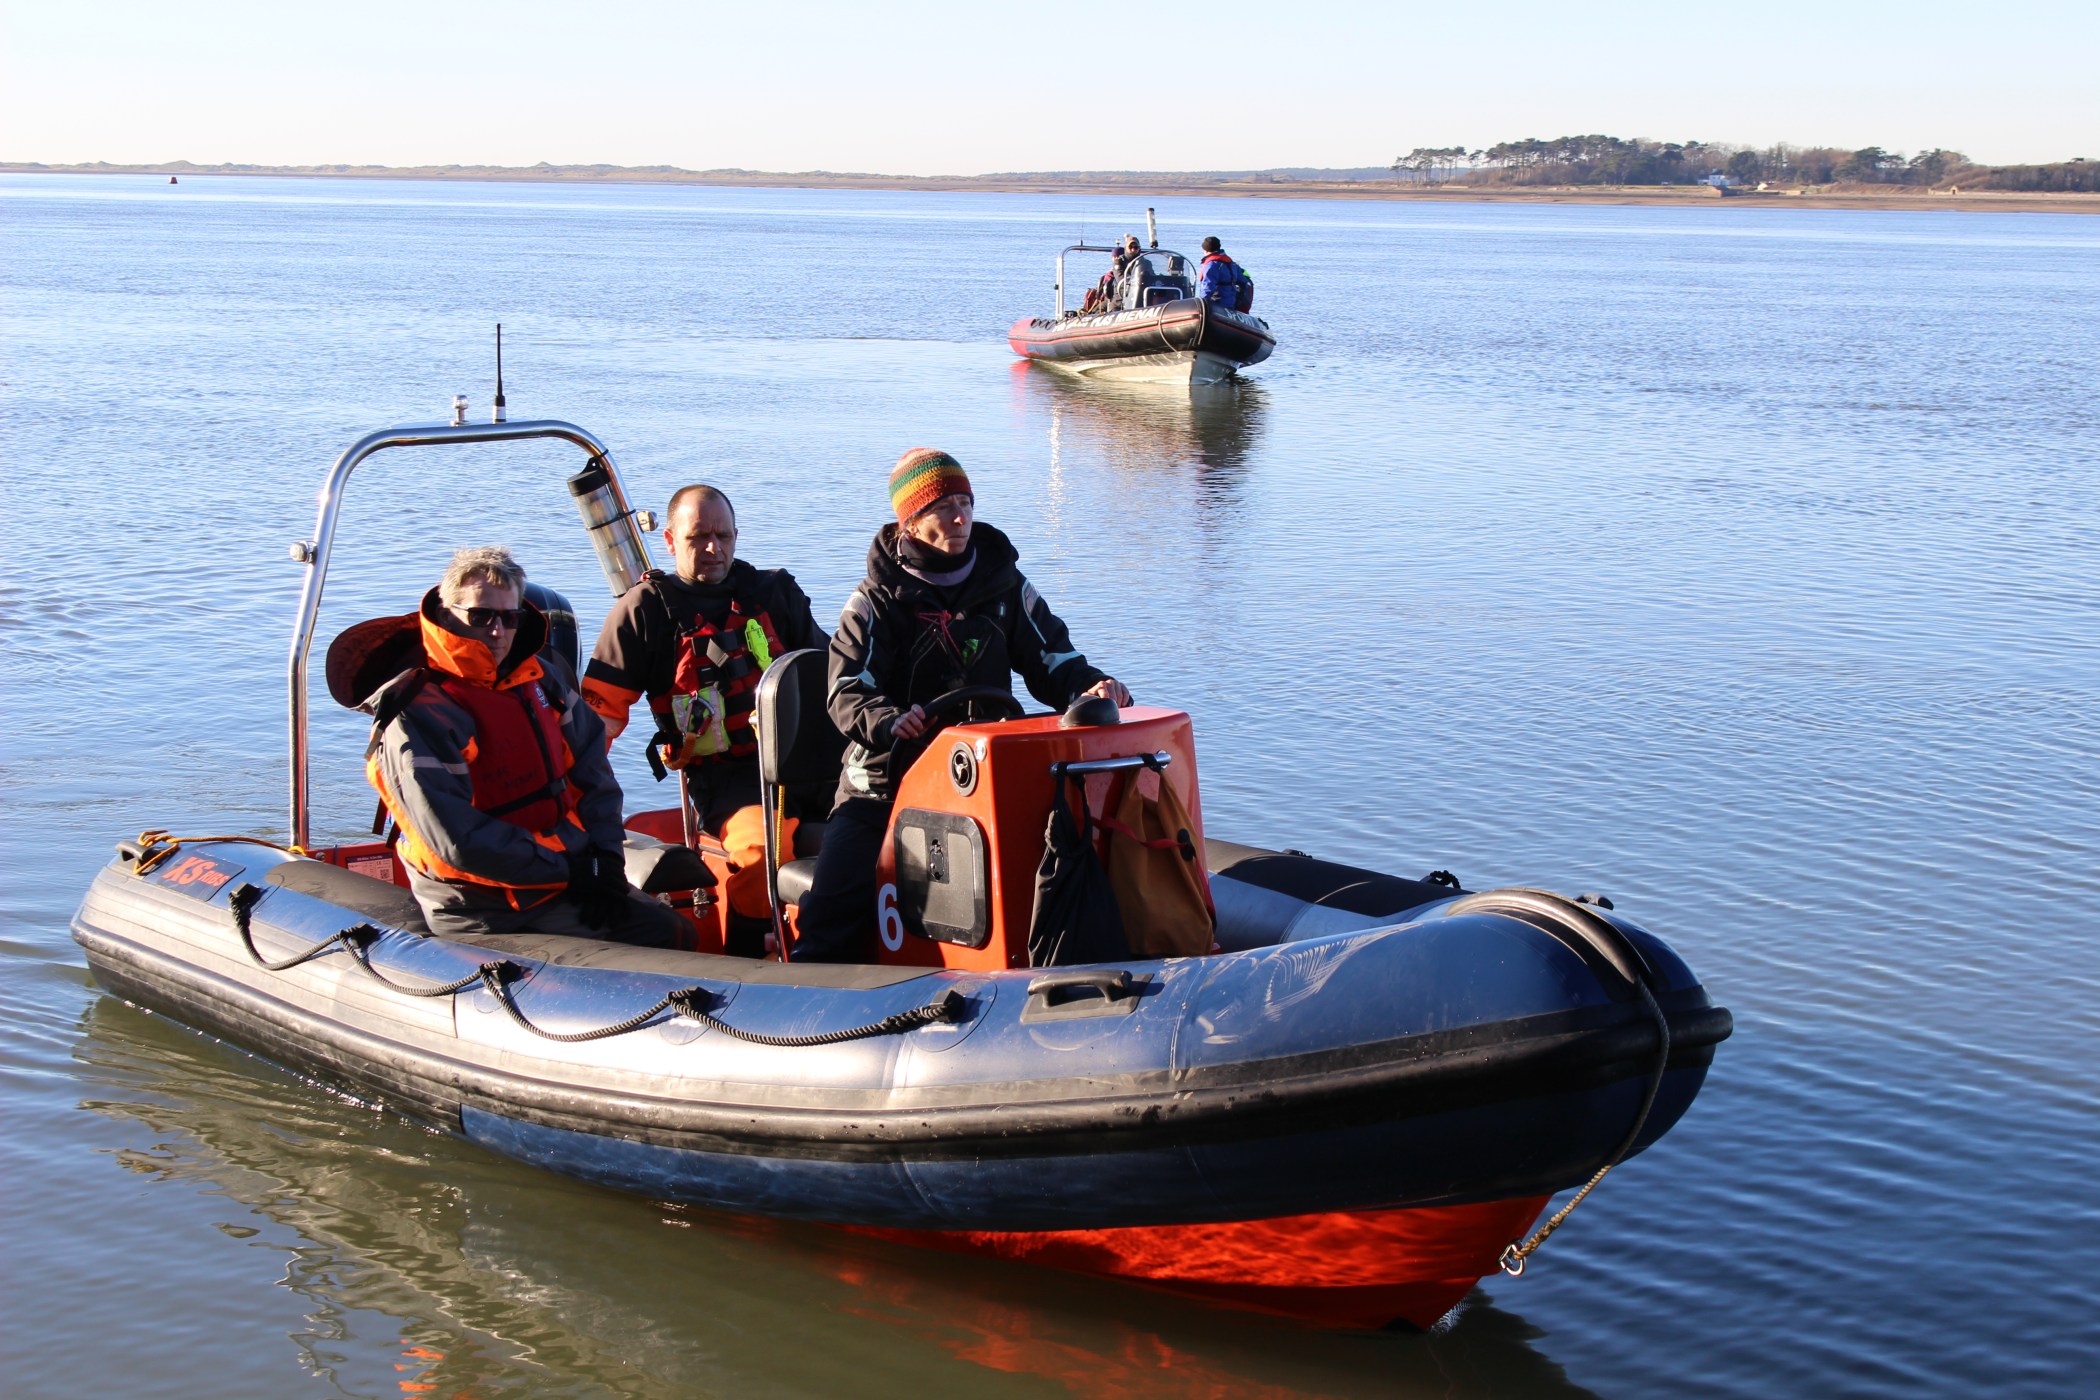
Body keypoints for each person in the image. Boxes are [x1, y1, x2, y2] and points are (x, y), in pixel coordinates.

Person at [792, 449, 1131, 963]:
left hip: (989, 777)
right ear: (909, 522)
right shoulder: (875, 601)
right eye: (942, 507)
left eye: (964, 504)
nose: (958, 517)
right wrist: (887, 720)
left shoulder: (1005, 585)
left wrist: (1093, 687)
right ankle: (814, 989)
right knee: (834, 905)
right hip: (885, 785)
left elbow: (1054, 659)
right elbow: (844, 691)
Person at [359, 547, 684, 946]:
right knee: (660, 936)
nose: (497, 631)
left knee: (672, 928)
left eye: (510, 618)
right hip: (477, 902)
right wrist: (572, 872)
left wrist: (606, 863)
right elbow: (457, 840)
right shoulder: (417, 711)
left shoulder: (541, 680)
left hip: (557, 877)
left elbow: (594, 777)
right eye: (481, 616)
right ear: (447, 614)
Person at [582, 484, 827, 955]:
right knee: (761, 855)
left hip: (809, 766)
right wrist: (581, 809)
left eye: (723, 535)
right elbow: (596, 723)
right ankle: (745, 968)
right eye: (698, 538)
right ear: (671, 541)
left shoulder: (774, 593)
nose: (714, 549)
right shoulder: (645, 611)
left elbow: (829, 676)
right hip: (727, 778)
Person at [1197, 235, 1253, 312]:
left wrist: (1201, 304)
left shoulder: (1211, 265)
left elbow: (1208, 286)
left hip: (1217, 304)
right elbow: (1243, 281)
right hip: (1231, 303)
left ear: (1205, 250)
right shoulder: (1230, 263)